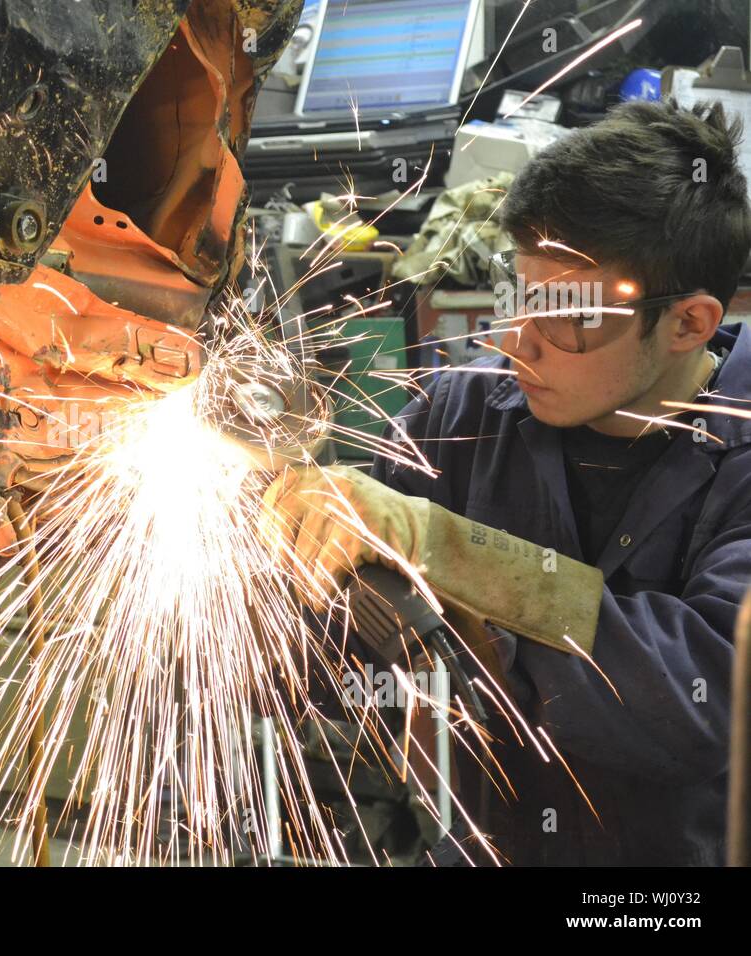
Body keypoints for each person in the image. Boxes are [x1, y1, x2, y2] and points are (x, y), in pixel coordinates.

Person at [262, 98, 751, 865]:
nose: (517, 342)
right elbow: (329, 646)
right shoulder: (461, 413)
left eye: (567, 317)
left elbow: (706, 693)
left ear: (689, 322)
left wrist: (443, 547)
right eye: (519, 294)